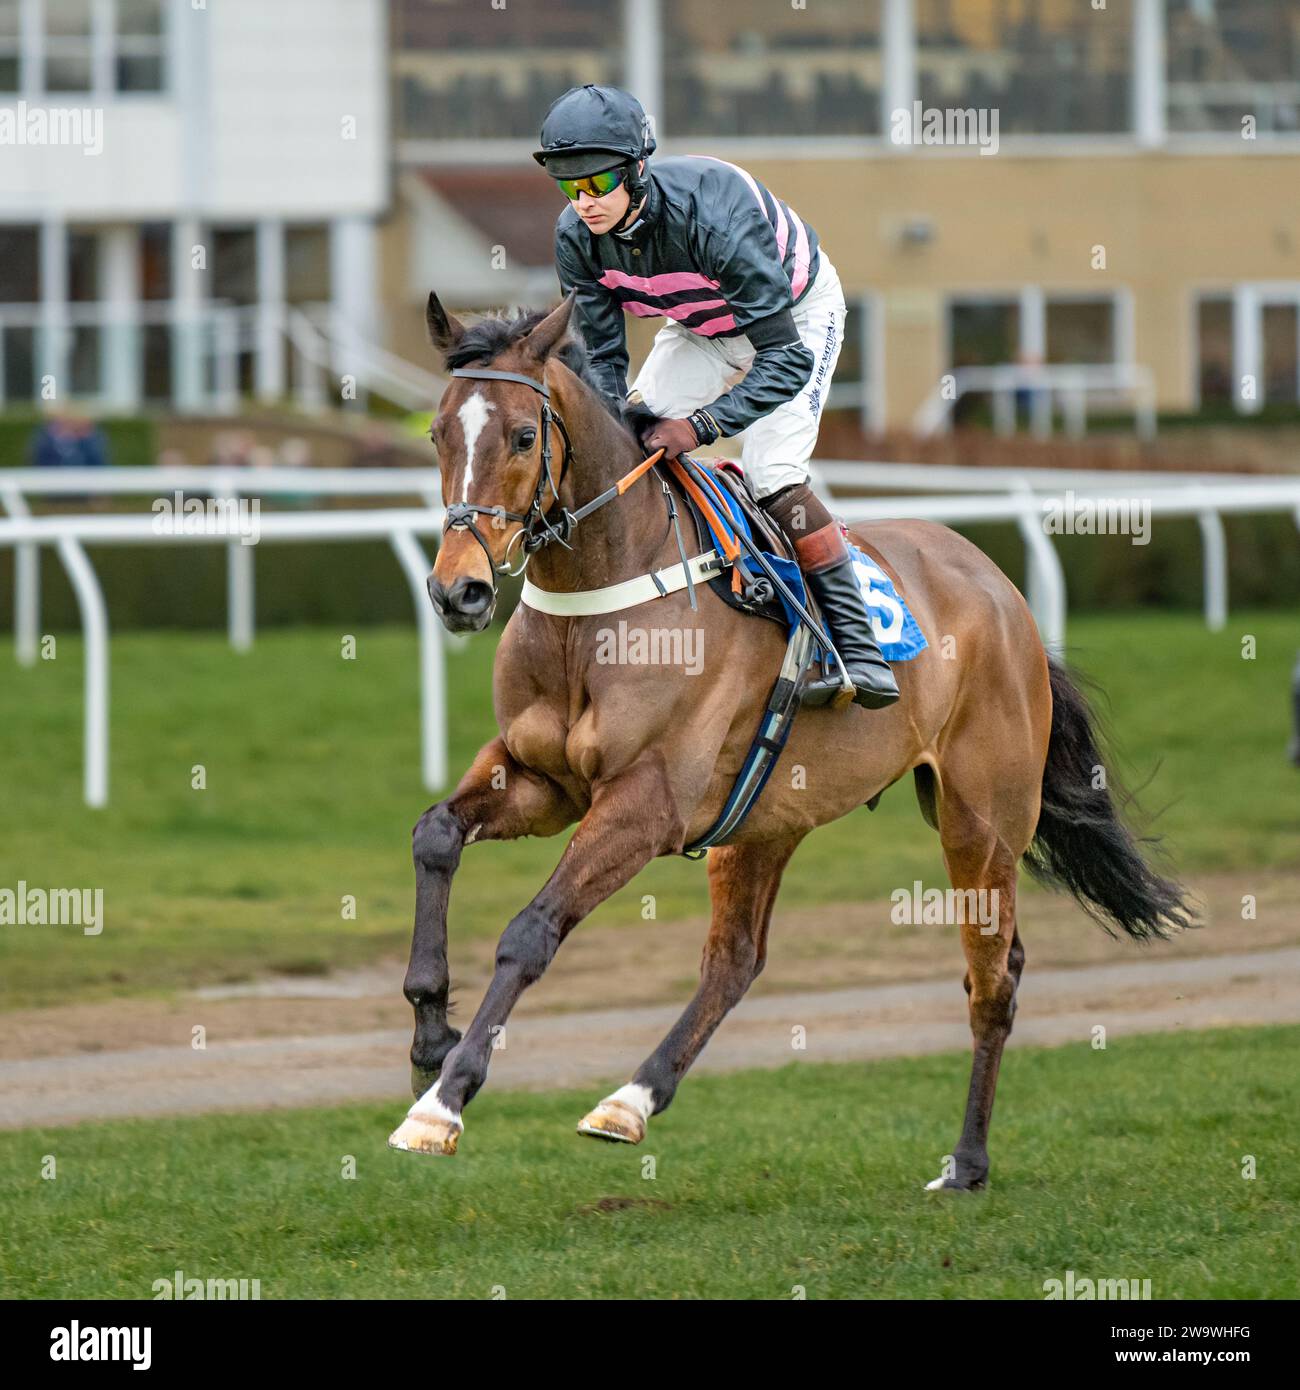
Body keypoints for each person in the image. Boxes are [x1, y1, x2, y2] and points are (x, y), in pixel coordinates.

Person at [535, 84, 898, 709]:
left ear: (636, 168)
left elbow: (784, 360)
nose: (584, 203)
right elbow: (602, 362)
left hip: (794, 321)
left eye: (597, 183)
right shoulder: (576, 237)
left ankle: (858, 650)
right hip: (701, 328)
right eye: (570, 187)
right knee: (628, 441)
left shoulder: (715, 216)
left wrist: (701, 427)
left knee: (772, 472)